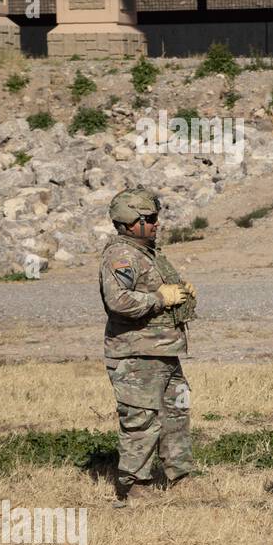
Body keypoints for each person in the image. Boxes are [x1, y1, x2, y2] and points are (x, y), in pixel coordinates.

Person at [99, 187, 197, 506]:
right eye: (149, 219)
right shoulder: (121, 254)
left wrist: (179, 293)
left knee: (176, 415)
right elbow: (119, 301)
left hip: (164, 352)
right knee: (140, 420)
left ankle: (180, 477)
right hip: (136, 354)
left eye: (156, 218)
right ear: (129, 222)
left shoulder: (147, 252)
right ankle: (135, 486)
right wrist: (160, 299)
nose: (157, 224)